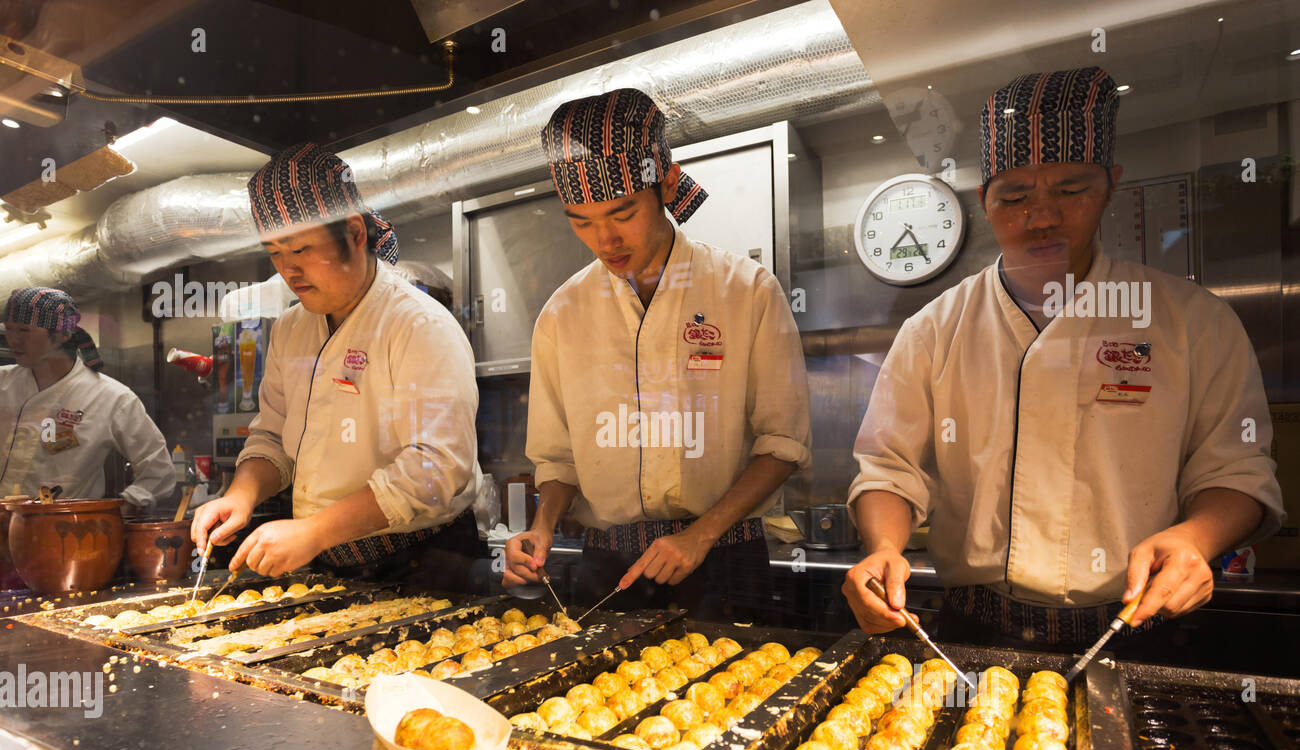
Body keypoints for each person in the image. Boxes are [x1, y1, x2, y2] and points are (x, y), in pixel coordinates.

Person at [842, 67, 1284, 648]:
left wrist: (1196, 540)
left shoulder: (1191, 320)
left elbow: (1235, 470)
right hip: (975, 629)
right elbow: (889, 468)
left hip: (1137, 623)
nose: (1042, 216)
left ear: (1110, 186)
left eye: (1071, 190)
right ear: (985, 201)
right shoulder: (934, 328)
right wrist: (883, 548)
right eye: (1016, 196)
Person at [502, 89, 811, 621]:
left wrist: (700, 534)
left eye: (622, 212)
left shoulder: (746, 290)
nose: (604, 238)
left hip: (724, 557)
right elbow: (557, 460)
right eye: (580, 221)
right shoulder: (562, 314)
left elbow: (782, 443)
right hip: (608, 564)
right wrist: (542, 524)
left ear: (666, 184)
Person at [191, 144, 483, 590]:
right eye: (274, 253)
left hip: (425, 563)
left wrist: (313, 531)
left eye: (302, 249)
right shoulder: (291, 329)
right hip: (330, 565)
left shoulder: (417, 323)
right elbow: (273, 435)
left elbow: (437, 468)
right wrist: (240, 495)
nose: (289, 270)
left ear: (354, 233)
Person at [0, 287, 175, 511]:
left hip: (63, 532)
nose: (13, 340)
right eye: (9, 330)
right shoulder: (3, 383)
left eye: (24, 331)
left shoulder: (111, 398)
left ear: (61, 335)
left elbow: (158, 471)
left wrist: (116, 512)